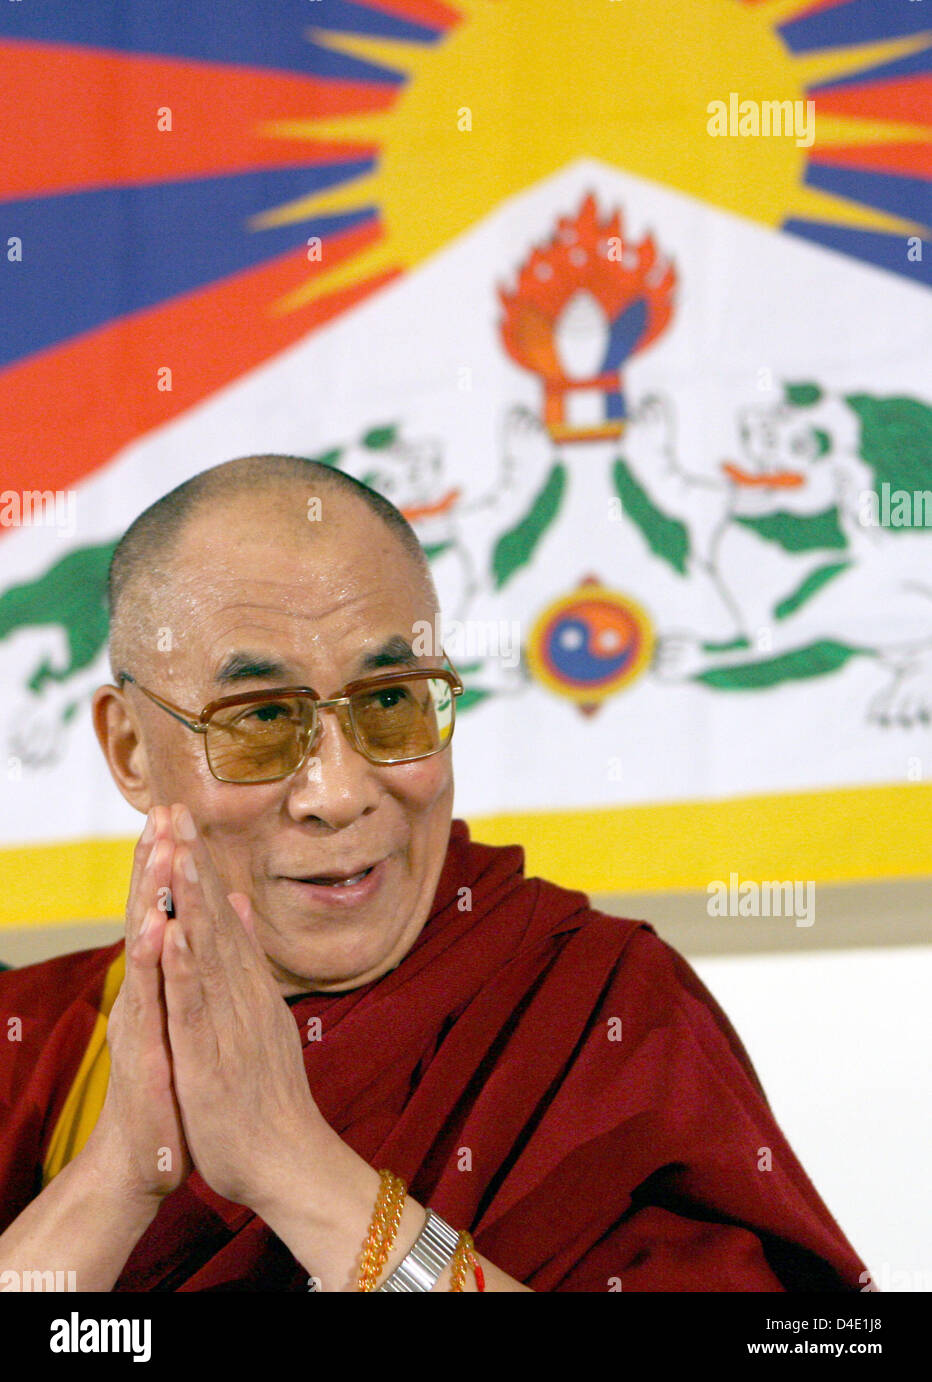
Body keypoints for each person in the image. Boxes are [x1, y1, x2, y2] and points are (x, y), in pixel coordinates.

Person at [0, 456, 868, 1292]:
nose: (338, 795)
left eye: (389, 702)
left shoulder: (600, 1011)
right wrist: (116, 1174)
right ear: (128, 748)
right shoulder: (37, 1046)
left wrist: (297, 1169)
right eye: (261, 717)